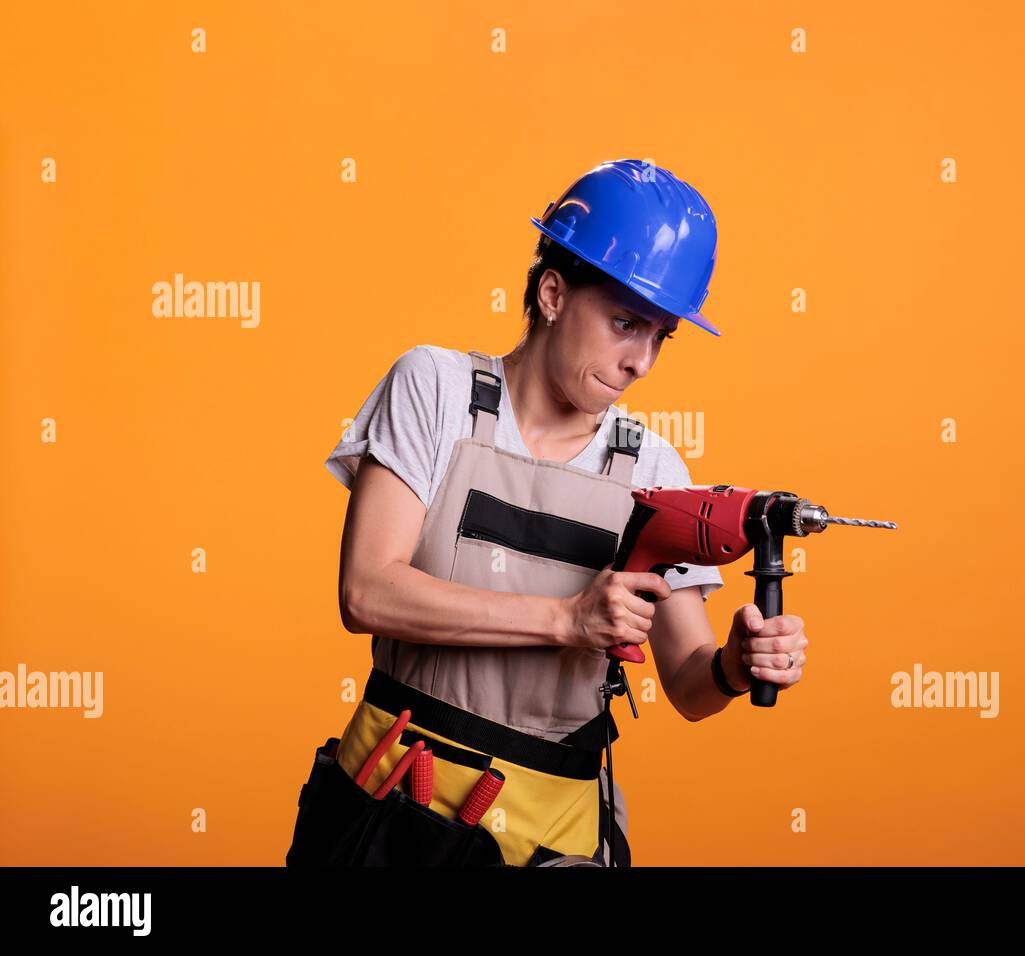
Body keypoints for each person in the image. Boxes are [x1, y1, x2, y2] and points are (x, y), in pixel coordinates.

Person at [292, 159, 809, 868]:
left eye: (661, 336)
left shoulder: (652, 469)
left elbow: (689, 685)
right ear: (553, 293)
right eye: (625, 323)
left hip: (553, 838)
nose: (642, 362)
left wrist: (734, 666)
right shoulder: (434, 389)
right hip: (390, 813)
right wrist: (566, 621)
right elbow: (367, 591)